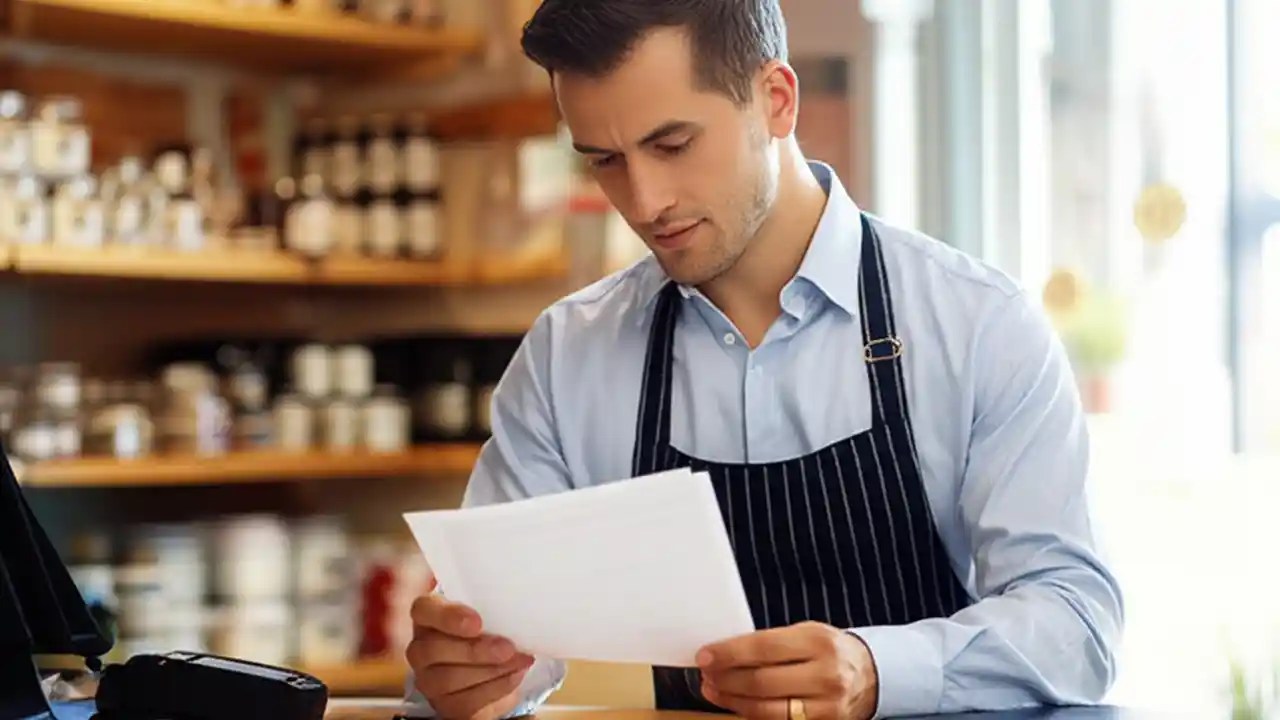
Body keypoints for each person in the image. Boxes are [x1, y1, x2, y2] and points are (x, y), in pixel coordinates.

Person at [403, 1, 1124, 718]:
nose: (645, 202)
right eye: (606, 162)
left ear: (776, 100)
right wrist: (469, 678)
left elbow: (1077, 626)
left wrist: (878, 670)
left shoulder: (977, 324)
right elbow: (504, 641)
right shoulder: (568, 357)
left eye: (673, 144)